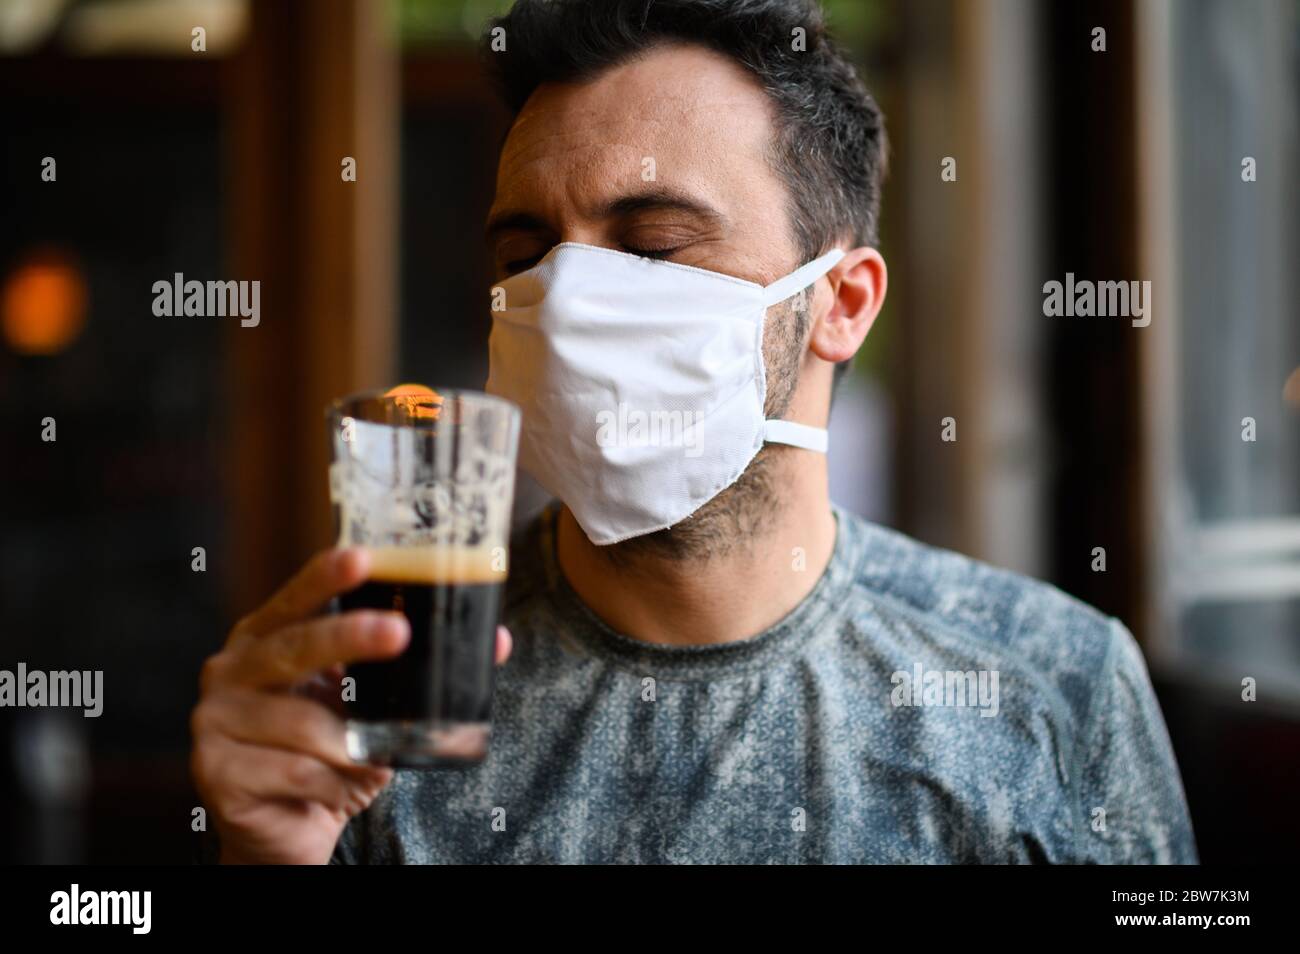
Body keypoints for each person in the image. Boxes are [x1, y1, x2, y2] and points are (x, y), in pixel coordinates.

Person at [191, 0, 1197, 864]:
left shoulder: (1051, 682)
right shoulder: (386, 700)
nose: (570, 299)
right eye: (527, 252)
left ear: (841, 302)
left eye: (656, 243)